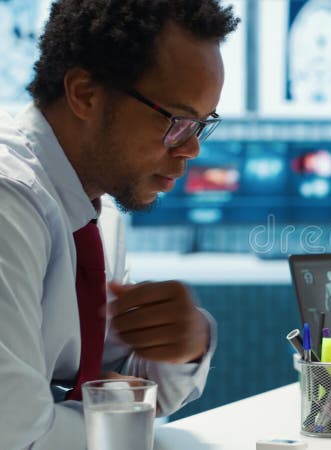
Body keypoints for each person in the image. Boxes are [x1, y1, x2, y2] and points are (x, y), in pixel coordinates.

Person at [0, 1, 239, 448]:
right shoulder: (7, 201)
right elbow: (16, 434)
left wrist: (185, 343)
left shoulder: (96, 208)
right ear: (85, 94)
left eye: (201, 126)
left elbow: (120, 380)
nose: (191, 150)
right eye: (176, 122)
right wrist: (111, 415)